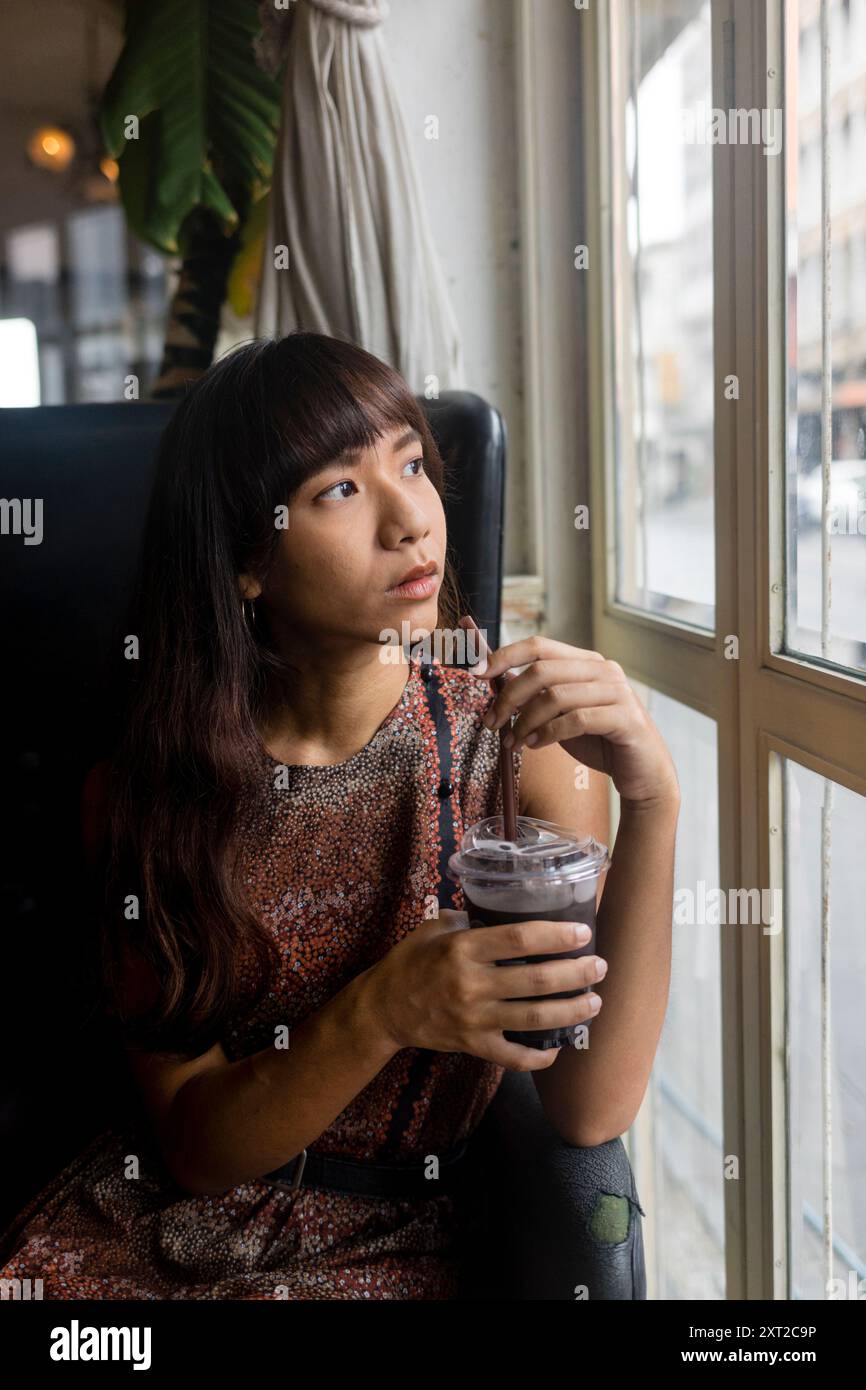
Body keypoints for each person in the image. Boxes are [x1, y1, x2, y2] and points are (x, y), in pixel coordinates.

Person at [0, 331, 680, 1300]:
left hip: (392, 1245)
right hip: (141, 1240)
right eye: (339, 489)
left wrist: (652, 799)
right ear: (246, 564)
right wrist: (381, 1010)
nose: (411, 519)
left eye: (411, 461)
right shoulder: (149, 795)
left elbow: (586, 1107)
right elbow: (193, 1148)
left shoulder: (515, 748)